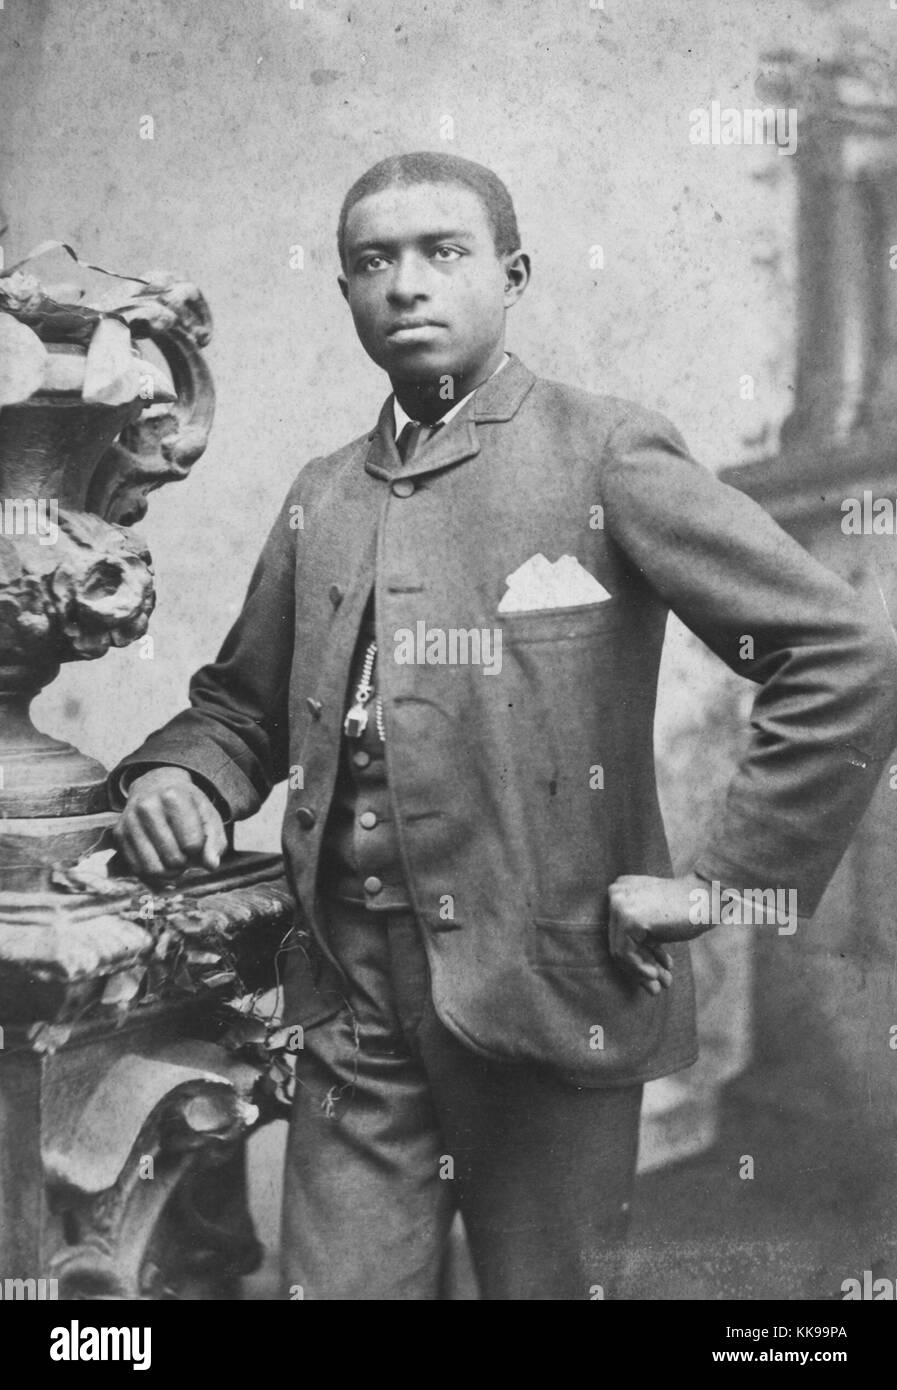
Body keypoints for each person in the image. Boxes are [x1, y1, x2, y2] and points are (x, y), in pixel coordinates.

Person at [110, 151, 897, 1300]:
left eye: (444, 252)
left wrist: (723, 880)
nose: (406, 285)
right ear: (344, 294)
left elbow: (844, 651)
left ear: (513, 273)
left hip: (552, 991)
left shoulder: (605, 450)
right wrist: (179, 776)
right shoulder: (321, 493)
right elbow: (241, 708)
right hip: (353, 996)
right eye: (373, 261)